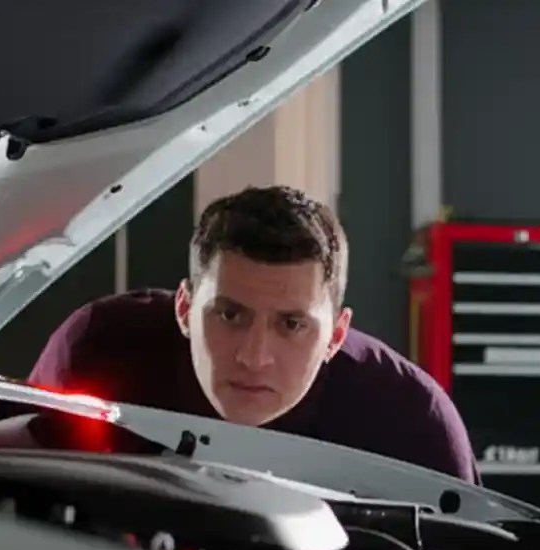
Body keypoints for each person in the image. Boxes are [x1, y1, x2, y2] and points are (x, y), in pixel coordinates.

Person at [26, 185, 481, 485]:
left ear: (337, 336)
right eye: (229, 315)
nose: (254, 356)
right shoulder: (97, 350)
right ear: (184, 309)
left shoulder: (411, 424)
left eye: (292, 324)